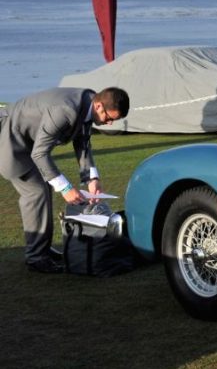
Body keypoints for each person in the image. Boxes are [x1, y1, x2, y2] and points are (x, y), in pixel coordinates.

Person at [0, 86, 129, 273]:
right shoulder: (65, 110)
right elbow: (40, 154)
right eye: (109, 118)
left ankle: (41, 250)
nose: (109, 124)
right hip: (9, 140)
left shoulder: (88, 104)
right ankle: (36, 258)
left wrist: (91, 178)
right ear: (100, 106)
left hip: (27, 141)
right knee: (36, 192)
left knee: (42, 190)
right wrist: (66, 187)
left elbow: (82, 142)